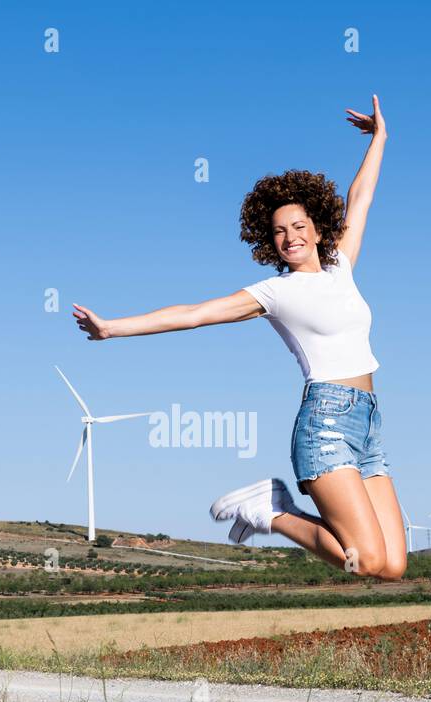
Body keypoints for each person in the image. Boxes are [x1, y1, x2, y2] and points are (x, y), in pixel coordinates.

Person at [72, 95, 405, 581]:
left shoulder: (340, 265)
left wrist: (380, 138)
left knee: (392, 567)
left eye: (297, 226)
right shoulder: (274, 292)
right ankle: (271, 513)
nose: (288, 236)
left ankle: (273, 509)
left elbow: (362, 197)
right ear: (267, 241)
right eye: (277, 232)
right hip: (326, 423)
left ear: (317, 229)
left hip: (368, 424)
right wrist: (112, 328)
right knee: (366, 560)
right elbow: (194, 314)